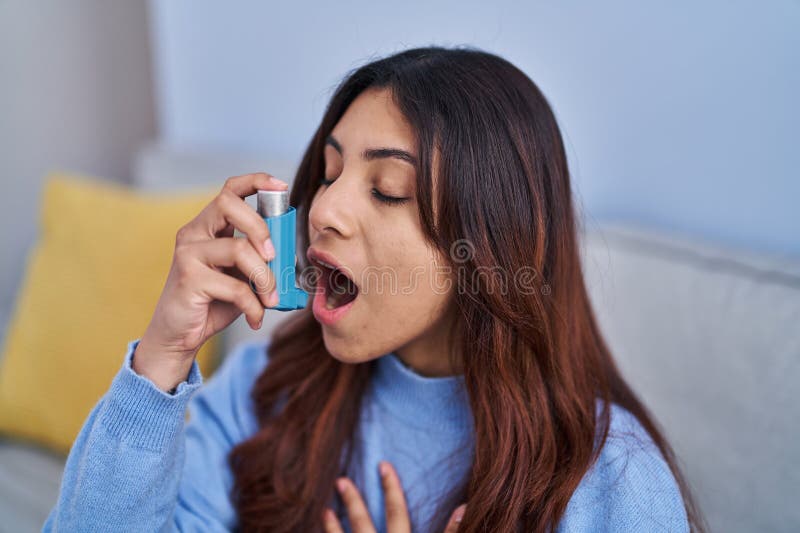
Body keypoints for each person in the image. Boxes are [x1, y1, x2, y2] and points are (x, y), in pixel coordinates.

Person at [43, 46, 706, 532]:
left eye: (387, 189)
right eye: (329, 173)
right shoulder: (269, 385)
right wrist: (160, 360)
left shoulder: (608, 481)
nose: (325, 208)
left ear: (490, 243)